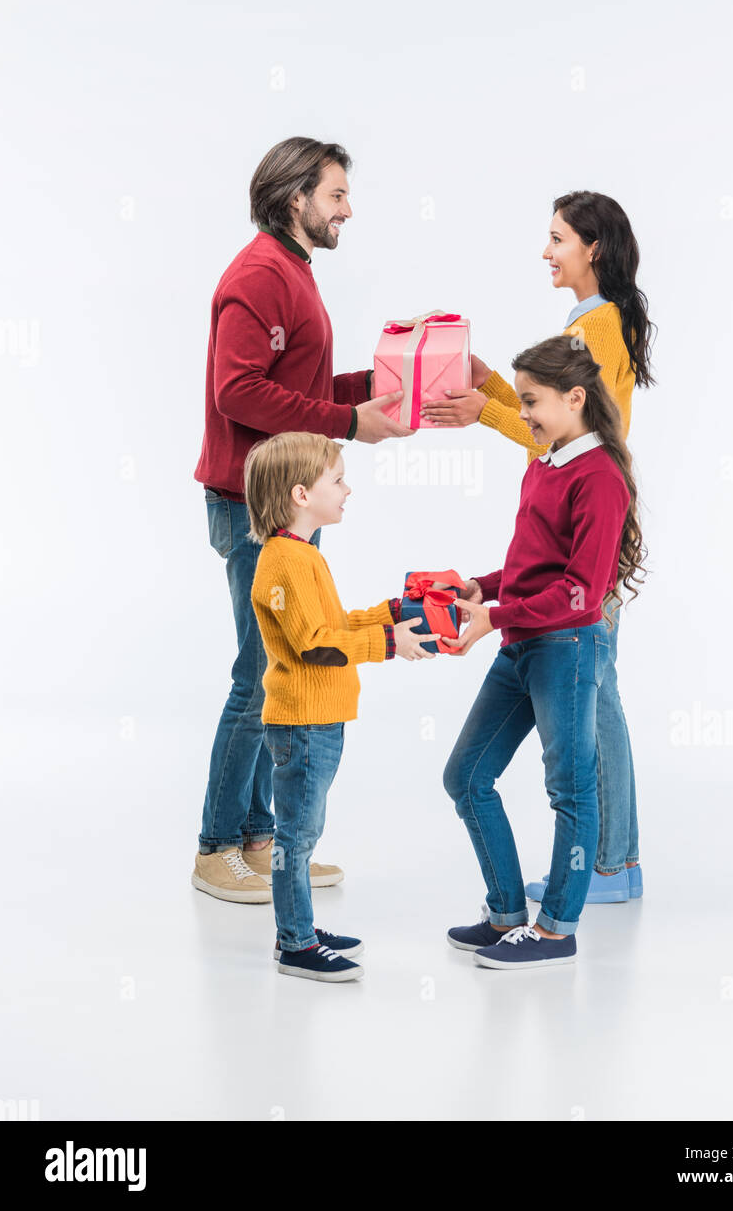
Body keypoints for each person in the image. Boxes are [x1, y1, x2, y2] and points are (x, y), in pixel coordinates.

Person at [192, 137, 411, 904]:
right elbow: (239, 393)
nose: (347, 209)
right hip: (252, 508)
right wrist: (349, 423)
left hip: (285, 507)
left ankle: (259, 841)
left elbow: (301, 385)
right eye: (336, 195)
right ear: (296, 200)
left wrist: (382, 383)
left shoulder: (291, 271)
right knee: (259, 679)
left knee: (279, 671)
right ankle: (217, 847)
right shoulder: (257, 275)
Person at [422, 190, 654, 903]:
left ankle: (609, 866)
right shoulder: (589, 321)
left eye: (556, 239)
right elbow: (550, 408)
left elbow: (572, 430)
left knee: (594, 704)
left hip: (582, 541)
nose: (545, 251)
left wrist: (484, 411)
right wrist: (490, 381)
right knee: (596, 696)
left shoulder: (600, 326)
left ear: (595, 249)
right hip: (565, 536)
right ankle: (613, 864)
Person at [441, 335, 647, 969]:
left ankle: (557, 930)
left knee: (570, 791)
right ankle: (506, 914)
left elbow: (581, 594)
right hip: (522, 641)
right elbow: (534, 568)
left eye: (531, 400)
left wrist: (494, 616)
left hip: (566, 647)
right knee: (467, 777)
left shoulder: (602, 477)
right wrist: (485, 588)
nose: (523, 413)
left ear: (574, 397)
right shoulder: (546, 461)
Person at [244, 432, 437, 981]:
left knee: (304, 832)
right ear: (301, 494)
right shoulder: (284, 561)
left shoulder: (301, 556)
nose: (348, 489)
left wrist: (388, 613)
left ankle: (298, 925)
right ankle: (296, 944)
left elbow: (330, 624)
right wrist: (386, 644)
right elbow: (314, 643)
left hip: (319, 719)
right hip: (303, 722)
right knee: (296, 837)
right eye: (338, 480)